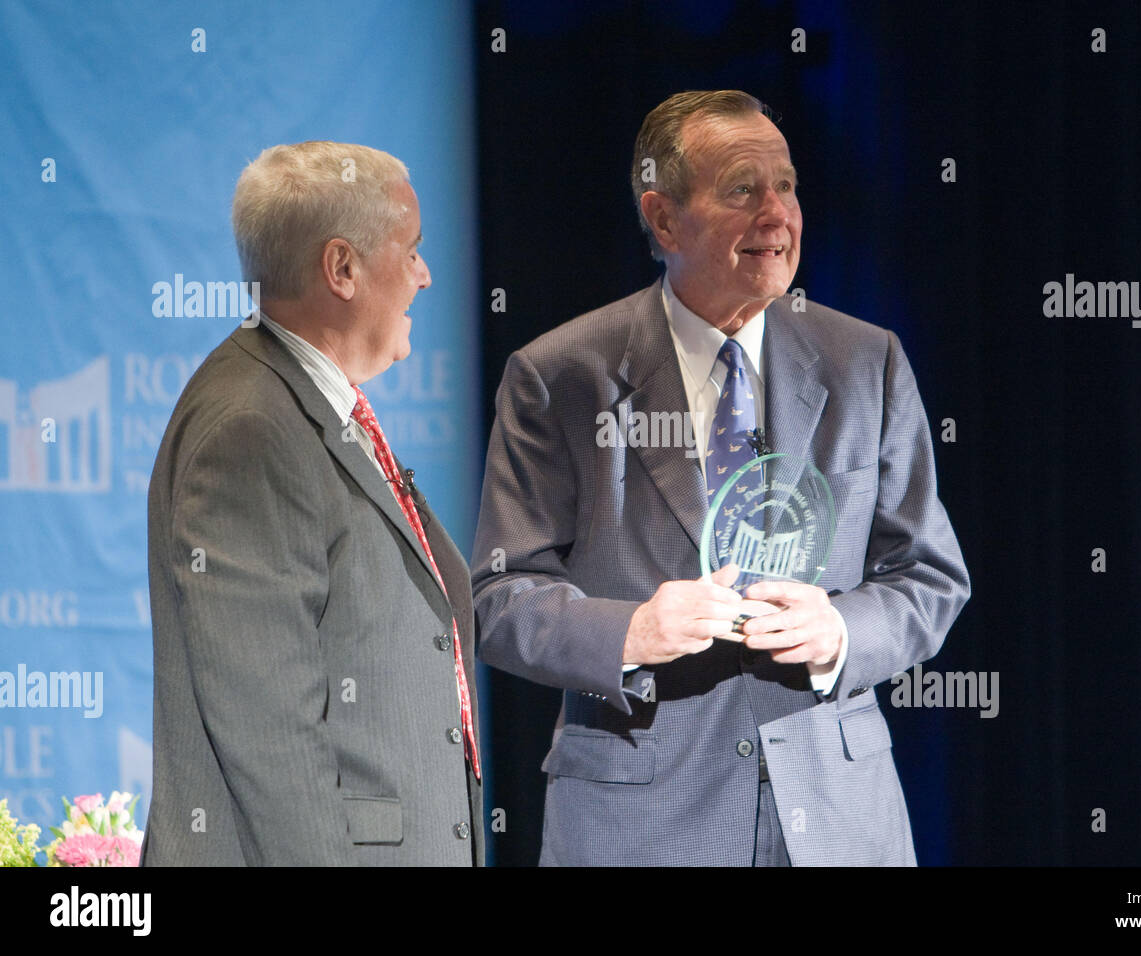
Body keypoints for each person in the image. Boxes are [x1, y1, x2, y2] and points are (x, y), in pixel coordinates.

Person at [471, 91, 970, 865]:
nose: (778, 215)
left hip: (836, 820)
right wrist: (631, 632)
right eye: (743, 189)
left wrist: (839, 630)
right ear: (664, 218)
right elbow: (501, 600)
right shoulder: (560, 375)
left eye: (788, 186)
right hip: (641, 822)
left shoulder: (865, 361)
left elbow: (929, 576)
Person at [143, 142, 482, 865]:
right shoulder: (251, 430)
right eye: (412, 250)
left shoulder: (309, 409)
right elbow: (270, 738)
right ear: (342, 269)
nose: (425, 275)